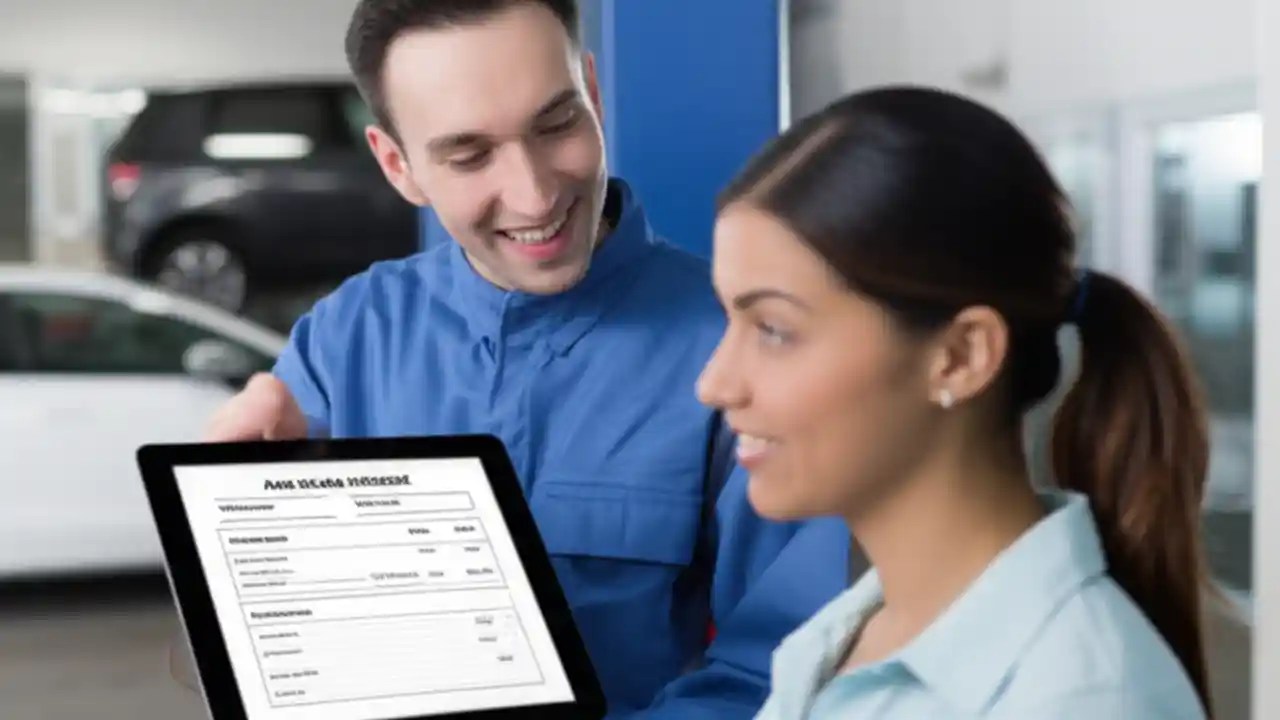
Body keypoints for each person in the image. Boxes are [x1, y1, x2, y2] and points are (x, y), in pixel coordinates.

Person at [190, 0, 850, 717]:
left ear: (593, 96)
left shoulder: (737, 344)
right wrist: (232, 543)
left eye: (557, 123)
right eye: (470, 154)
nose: (535, 194)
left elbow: (783, 666)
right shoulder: (348, 336)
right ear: (397, 164)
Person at [696, 86, 1212, 719]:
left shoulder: (1083, 698)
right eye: (729, 320)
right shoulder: (846, 640)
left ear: (963, 356)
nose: (715, 384)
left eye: (773, 329)